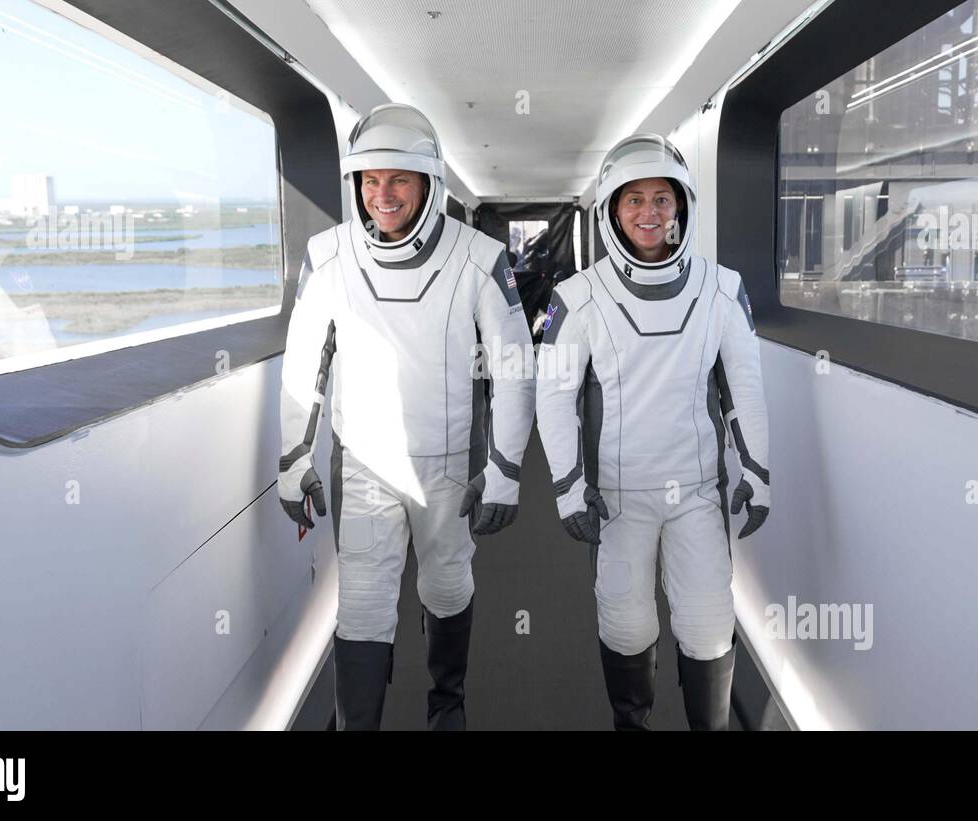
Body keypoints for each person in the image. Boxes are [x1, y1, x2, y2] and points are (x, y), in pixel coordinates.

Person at [278, 104, 534, 730]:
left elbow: (514, 367)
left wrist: (503, 469)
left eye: (398, 179)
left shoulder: (478, 257)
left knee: (447, 588)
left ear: (429, 183)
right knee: (362, 608)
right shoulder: (329, 255)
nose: (382, 194)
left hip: (448, 466)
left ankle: (447, 705)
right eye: (370, 180)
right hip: (366, 465)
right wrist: (293, 460)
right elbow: (303, 366)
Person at [534, 133, 771, 730]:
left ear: (682, 207)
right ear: (613, 209)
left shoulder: (724, 288)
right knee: (626, 624)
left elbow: (744, 387)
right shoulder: (578, 296)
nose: (648, 213)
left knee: (708, 627)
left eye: (661, 199)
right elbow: (554, 397)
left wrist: (758, 473)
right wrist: (567, 489)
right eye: (633, 199)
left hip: (696, 493)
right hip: (616, 498)